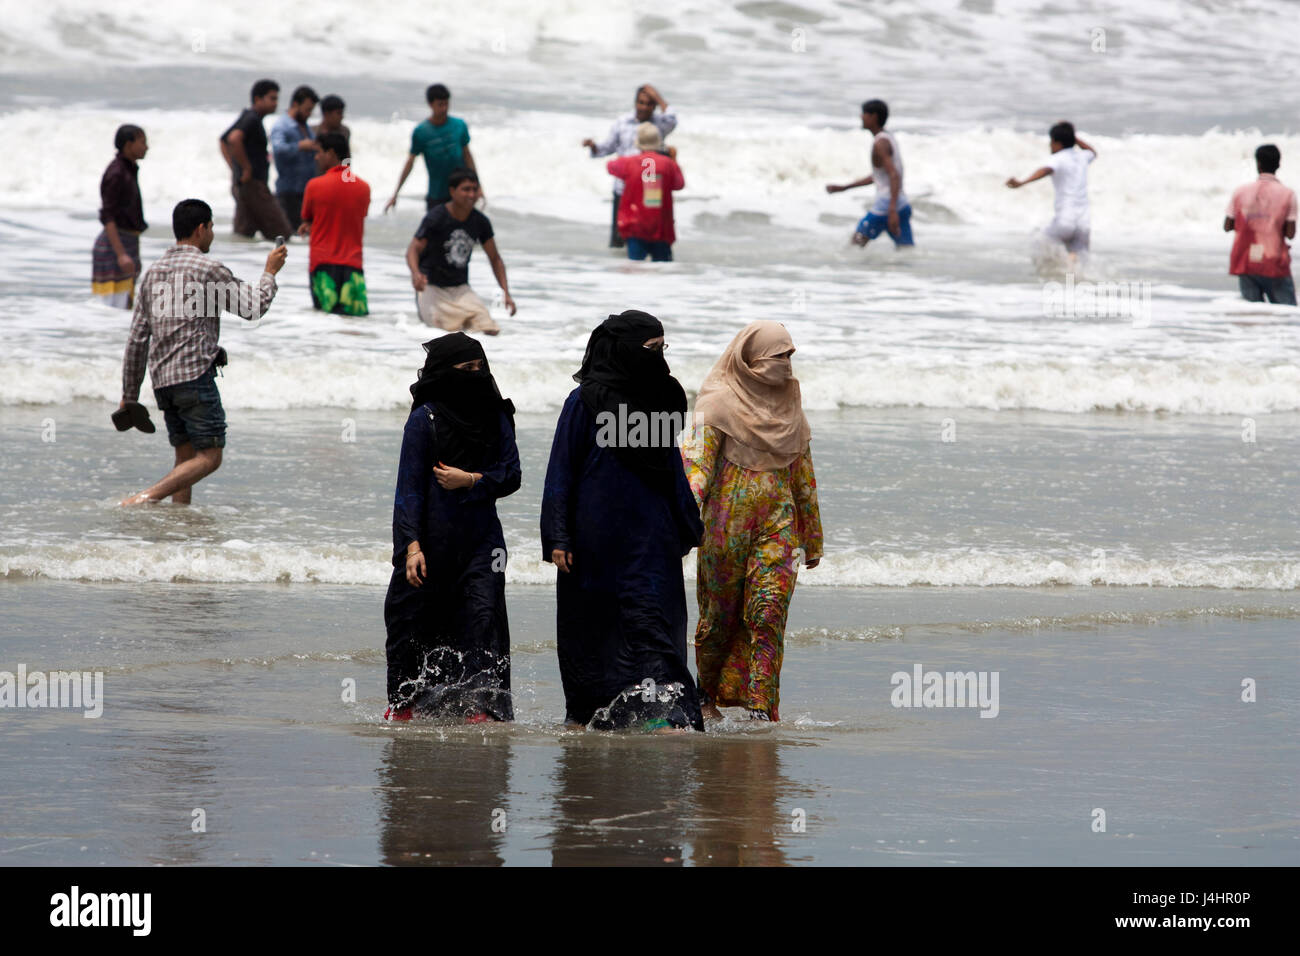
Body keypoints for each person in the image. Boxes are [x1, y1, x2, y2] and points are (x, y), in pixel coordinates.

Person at [540, 311, 705, 732]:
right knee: (593, 633)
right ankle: (590, 717)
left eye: (663, 348)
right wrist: (558, 535)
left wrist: (688, 524)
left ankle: (665, 718)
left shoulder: (664, 397)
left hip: (652, 537)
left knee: (653, 625)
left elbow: (670, 465)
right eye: (651, 349)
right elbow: (562, 470)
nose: (659, 357)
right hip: (594, 541)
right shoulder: (584, 402)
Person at [682, 321, 823, 722]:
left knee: (769, 611)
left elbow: (803, 476)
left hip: (779, 525)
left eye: (790, 356)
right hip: (723, 529)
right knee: (718, 619)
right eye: (778, 356)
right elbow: (696, 468)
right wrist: (683, 520)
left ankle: (763, 707)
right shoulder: (717, 403)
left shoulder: (790, 404)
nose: (786, 365)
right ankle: (706, 696)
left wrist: (812, 537)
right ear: (752, 359)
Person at [383, 332, 521, 722]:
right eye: (466, 369)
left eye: (481, 368)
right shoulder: (424, 420)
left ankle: (481, 707)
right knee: (414, 621)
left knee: (483, 618)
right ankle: (407, 705)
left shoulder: (496, 415)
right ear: (445, 373)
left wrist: (473, 479)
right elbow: (407, 489)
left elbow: (512, 474)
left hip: (483, 543)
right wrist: (411, 546)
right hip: (430, 541)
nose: (476, 376)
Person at [118, 199, 285, 506]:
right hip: (194, 376)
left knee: (185, 460)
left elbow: (137, 340)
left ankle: (179, 524)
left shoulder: (153, 273)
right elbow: (253, 307)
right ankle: (142, 499)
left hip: (162, 381)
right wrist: (270, 272)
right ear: (200, 229)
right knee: (210, 456)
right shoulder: (208, 269)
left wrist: (129, 395)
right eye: (211, 227)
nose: (212, 233)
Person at [406, 168, 515, 333]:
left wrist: (506, 293)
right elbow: (413, 250)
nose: (471, 195)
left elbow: (495, 259)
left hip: (460, 288)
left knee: (489, 330)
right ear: (452, 191)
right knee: (442, 335)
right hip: (432, 287)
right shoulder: (436, 217)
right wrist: (416, 274)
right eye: (466, 189)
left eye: (475, 189)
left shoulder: (480, 221)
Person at [582, 85, 677, 248]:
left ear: (654, 106)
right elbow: (608, 148)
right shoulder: (622, 122)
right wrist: (594, 147)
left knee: (653, 238)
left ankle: (658, 271)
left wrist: (658, 97)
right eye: (641, 103)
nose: (644, 107)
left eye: (649, 104)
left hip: (650, 187)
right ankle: (623, 272)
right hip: (625, 188)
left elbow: (672, 118)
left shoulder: (659, 124)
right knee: (620, 239)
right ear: (635, 103)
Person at [825, 98, 913, 248]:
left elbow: (893, 175)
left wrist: (891, 210)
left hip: (885, 206)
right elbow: (879, 176)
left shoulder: (880, 143)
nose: (861, 117)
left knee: (854, 246)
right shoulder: (888, 138)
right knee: (906, 251)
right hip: (902, 204)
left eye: (864, 113)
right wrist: (845, 187)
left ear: (874, 117)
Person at [1005, 121, 1097, 264]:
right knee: (1078, 260)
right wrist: (1073, 137)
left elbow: (1047, 170)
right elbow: (1093, 152)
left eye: (1051, 141)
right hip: (1084, 223)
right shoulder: (1082, 157)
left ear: (1057, 143)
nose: (1050, 145)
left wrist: (1023, 182)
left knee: (1039, 240)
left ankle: (1052, 277)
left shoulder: (1058, 158)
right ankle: (1071, 281)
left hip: (1065, 220)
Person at [299, 133, 371, 315]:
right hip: (353, 265)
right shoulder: (363, 188)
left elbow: (307, 217)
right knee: (355, 325)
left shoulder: (314, 186)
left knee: (325, 321)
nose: (316, 157)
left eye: (319, 152)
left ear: (330, 153)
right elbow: (360, 215)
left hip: (322, 262)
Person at [384, 84, 480, 213]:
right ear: (430, 104)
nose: (444, 108)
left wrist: (478, 187)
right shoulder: (421, 132)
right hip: (437, 195)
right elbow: (410, 163)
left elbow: (467, 156)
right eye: (440, 104)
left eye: (447, 104)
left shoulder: (459, 125)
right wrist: (396, 193)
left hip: (461, 194)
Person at [220, 79, 293, 241]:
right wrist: (245, 168)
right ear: (258, 99)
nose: (276, 103)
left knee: (243, 234)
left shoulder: (249, 117)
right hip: (253, 185)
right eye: (272, 98)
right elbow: (233, 139)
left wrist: (235, 168)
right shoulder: (251, 119)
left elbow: (224, 140)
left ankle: (244, 264)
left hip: (245, 184)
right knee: (282, 234)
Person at [1224, 144, 1297, 306]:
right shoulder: (1287, 194)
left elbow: (1228, 225)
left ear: (1258, 164)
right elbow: (1290, 233)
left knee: (1253, 318)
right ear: (1278, 164)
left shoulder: (1240, 192)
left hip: (1246, 260)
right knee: (1287, 316)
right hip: (1274, 260)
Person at [606, 123, 684, 261]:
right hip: (661, 228)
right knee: (663, 273)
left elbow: (610, 166)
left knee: (636, 273)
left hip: (636, 226)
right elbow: (679, 184)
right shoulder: (668, 164)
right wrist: (673, 159)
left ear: (638, 142)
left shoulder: (628, 163)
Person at [93, 125, 148, 308]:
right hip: (115, 246)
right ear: (128, 144)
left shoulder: (129, 169)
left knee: (125, 305)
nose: (146, 147)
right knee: (112, 307)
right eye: (142, 142)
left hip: (127, 242)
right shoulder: (117, 173)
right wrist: (121, 254)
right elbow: (108, 216)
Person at [270, 84, 320, 232]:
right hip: (289, 191)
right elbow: (277, 149)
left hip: (305, 191)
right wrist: (299, 146)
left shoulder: (305, 126)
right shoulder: (282, 125)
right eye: (307, 110)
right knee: (291, 234)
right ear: (295, 104)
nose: (309, 114)